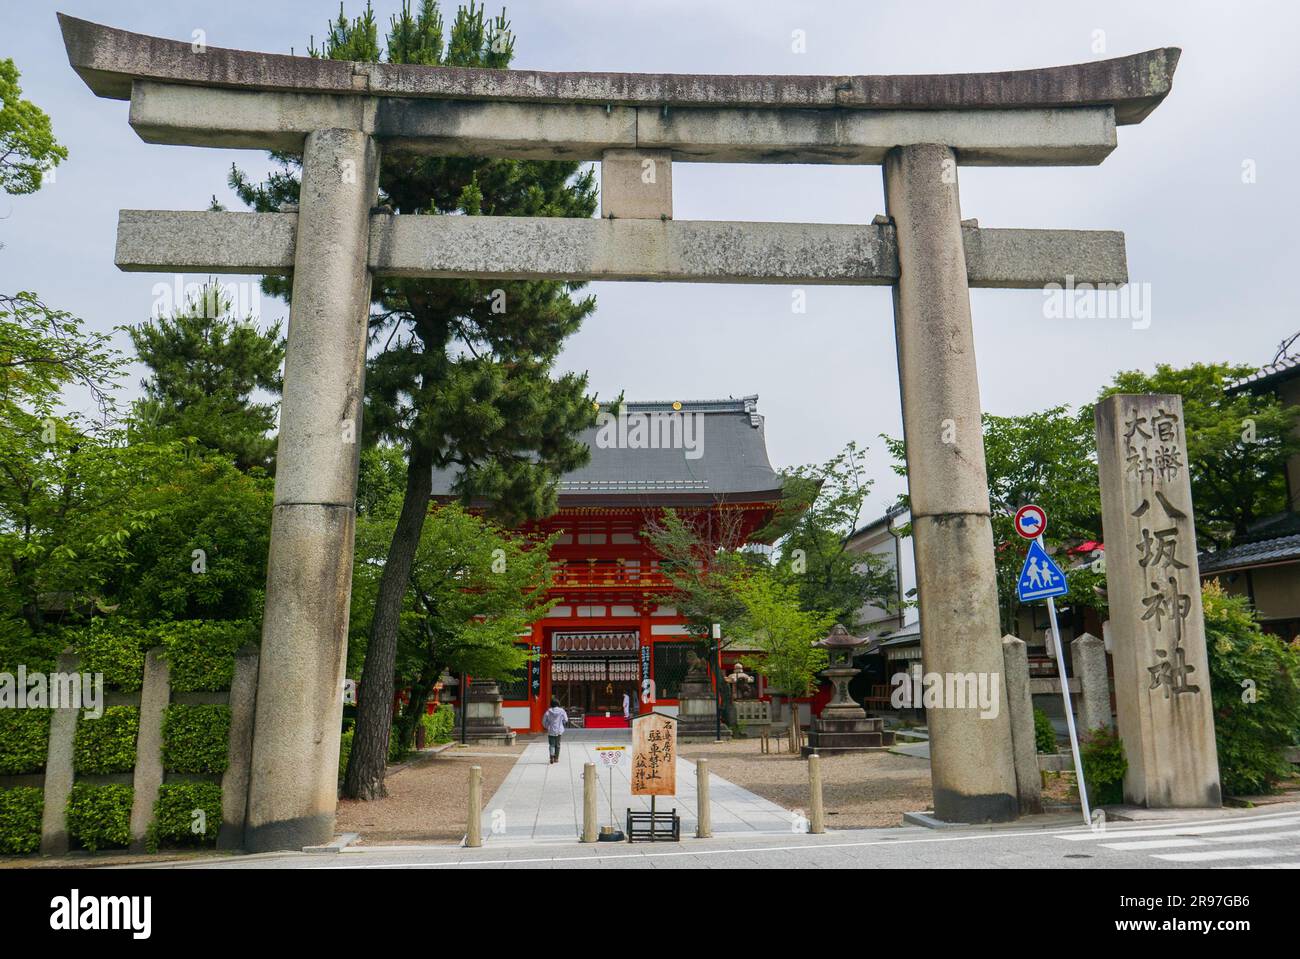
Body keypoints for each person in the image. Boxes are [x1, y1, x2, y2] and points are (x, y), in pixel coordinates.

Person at [542, 697, 569, 764]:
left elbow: (543, 721)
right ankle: (556, 758)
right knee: (558, 744)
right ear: (558, 703)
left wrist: (546, 726)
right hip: (559, 730)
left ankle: (551, 756)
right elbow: (566, 720)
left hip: (551, 730)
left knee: (551, 744)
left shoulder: (548, 711)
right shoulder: (562, 711)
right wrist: (562, 723)